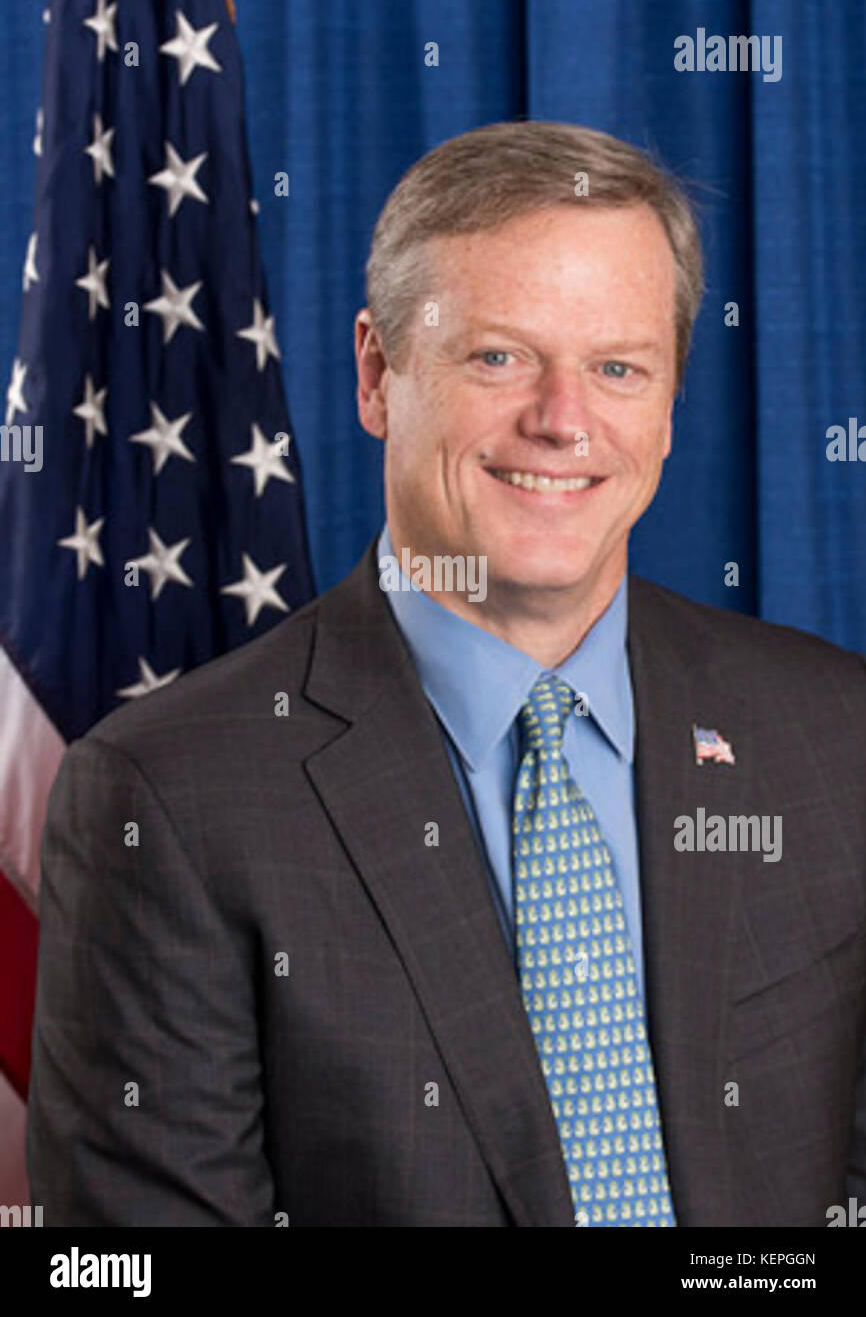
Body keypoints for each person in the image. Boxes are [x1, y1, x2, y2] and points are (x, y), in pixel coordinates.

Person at [27, 121, 866, 1227]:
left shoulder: (831, 736)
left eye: (616, 367)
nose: (561, 421)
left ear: (666, 409)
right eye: (497, 356)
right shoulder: (169, 799)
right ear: (379, 375)